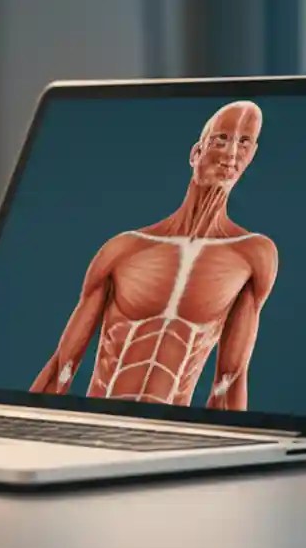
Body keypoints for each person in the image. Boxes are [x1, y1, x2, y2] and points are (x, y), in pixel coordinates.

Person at [29, 100, 277, 410]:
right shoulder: (125, 248)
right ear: (195, 153)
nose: (231, 153)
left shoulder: (253, 254)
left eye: (244, 143)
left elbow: (229, 380)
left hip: (169, 432)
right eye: (221, 139)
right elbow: (62, 367)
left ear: (251, 156)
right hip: (98, 423)